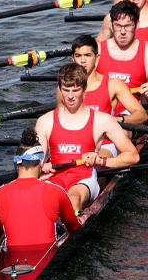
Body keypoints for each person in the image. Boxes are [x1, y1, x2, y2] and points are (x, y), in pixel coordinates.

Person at [35, 63, 140, 211]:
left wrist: (101, 161)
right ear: (60, 89)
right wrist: (39, 168)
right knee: (40, 202)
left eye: (75, 90)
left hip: (84, 179)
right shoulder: (44, 121)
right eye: (66, 90)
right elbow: (34, 162)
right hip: (54, 177)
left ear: (84, 90)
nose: (70, 96)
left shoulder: (102, 120)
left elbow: (133, 156)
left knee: (73, 199)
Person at [0, 128, 81, 244]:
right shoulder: (56, 191)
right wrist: (80, 220)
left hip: (14, 253)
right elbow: (74, 226)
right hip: (47, 251)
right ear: (41, 162)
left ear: (17, 162)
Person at [66, 34, 147, 125]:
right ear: (73, 58)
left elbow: (142, 115)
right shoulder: (65, 88)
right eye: (78, 56)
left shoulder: (113, 84)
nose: (83, 60)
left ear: (97, 58)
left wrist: (116, 120)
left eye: (88, 55)